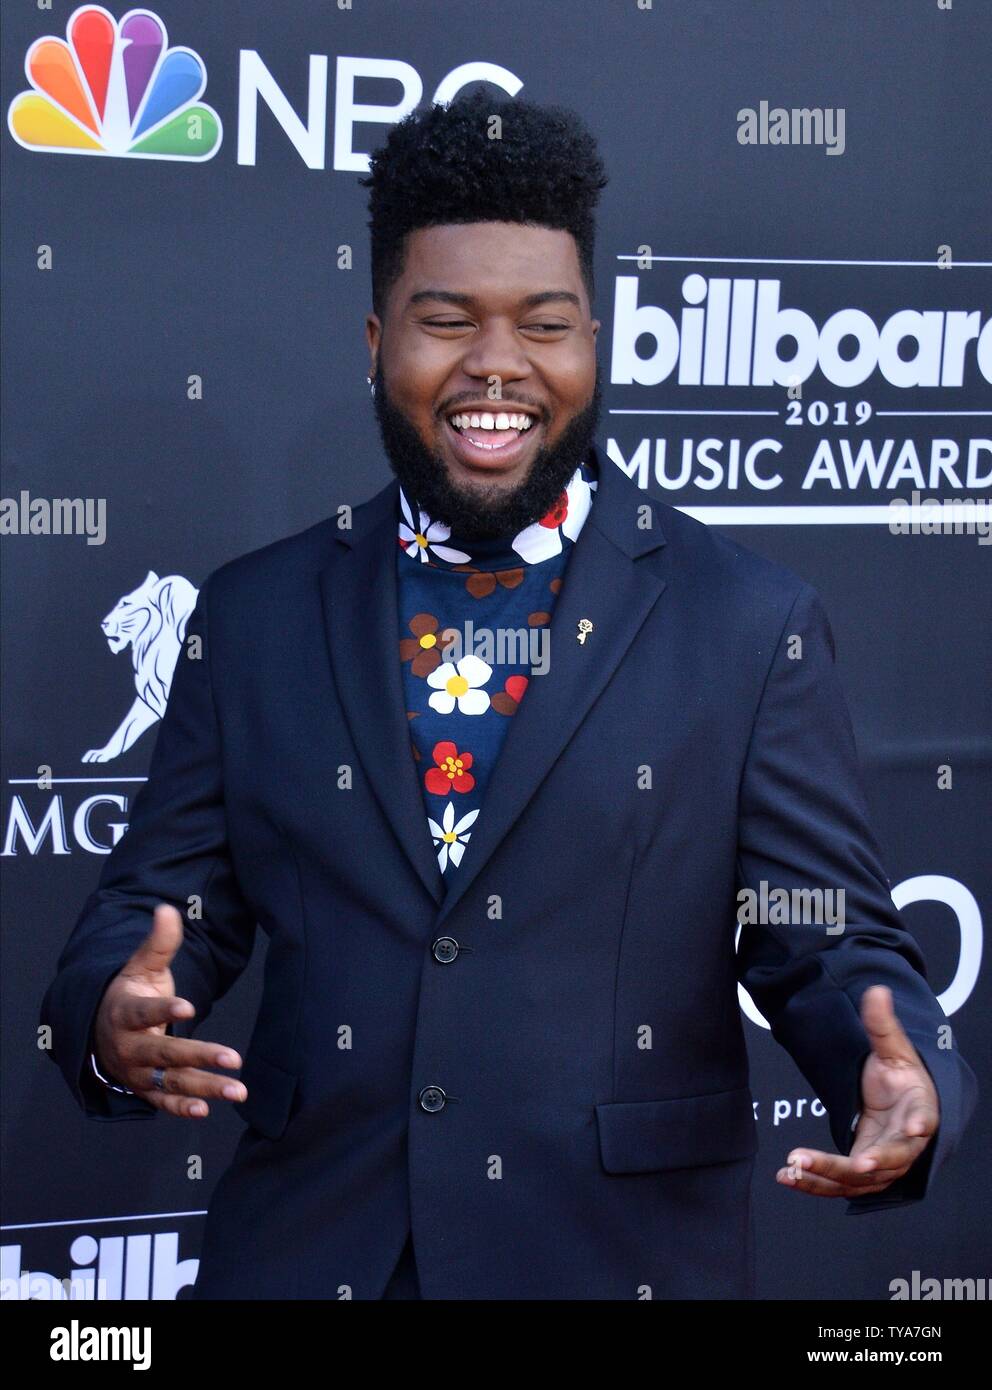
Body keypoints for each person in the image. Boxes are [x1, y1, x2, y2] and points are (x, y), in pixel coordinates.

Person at [40, 91, 977, 1301]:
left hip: (615, 1265)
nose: (496, 366)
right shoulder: (256, 614)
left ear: (594, 339)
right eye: (446, 322)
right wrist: (116, 1013)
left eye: (543, 325)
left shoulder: (743, 622)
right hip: (312, 1256)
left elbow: (823, 931)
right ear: (376, 340)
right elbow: (158, 909)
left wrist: (894, 1071)